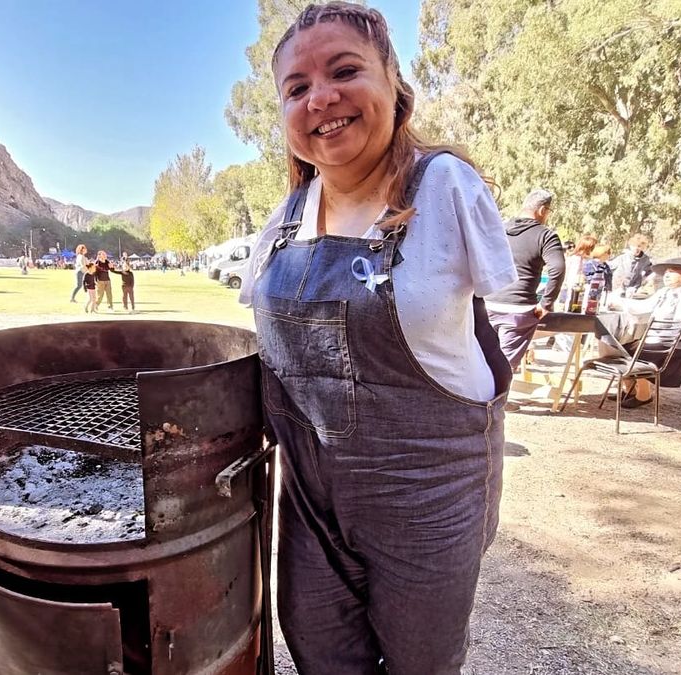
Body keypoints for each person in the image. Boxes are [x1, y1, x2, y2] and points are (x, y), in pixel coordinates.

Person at [238, 4, 516, 673]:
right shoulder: (283, 219)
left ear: (393, 80)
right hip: (309, 497)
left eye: (344, 70)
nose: (321, 98)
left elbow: (500, 317)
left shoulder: (442, 183)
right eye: (297, 88)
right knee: (319, 648)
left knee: (422, 661)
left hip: (427, 492)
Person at [599, 257, 681, 408]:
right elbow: (643, 307)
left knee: (635, 351)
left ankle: (643, 395)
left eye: (672, 272)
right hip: (662, 340)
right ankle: (630, 390)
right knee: (616, 347)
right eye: (666, 272)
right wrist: (619, 301)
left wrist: (653, 338)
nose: (666, 275)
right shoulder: (666, 292)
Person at [485, 188, 566, 369]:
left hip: (487, 303)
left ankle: (477, 396)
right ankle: (495, 397)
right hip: (518, 309)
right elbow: (558, 268)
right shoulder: (546, 235)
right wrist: (547, 303)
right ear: (542, 210)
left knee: (481, 362)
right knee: (503, 368)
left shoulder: (499, 228)